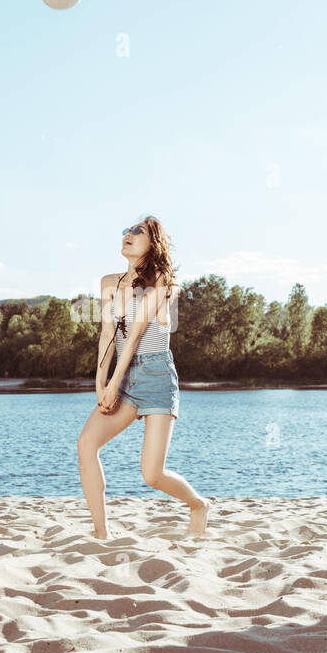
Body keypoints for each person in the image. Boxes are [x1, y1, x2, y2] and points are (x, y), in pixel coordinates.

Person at [77, 216, 211, 539]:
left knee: (152, 474)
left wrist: (113, 382)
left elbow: (135, 333)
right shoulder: (109, 283)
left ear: (153, 243)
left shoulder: (163, 280)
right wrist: (99, 382)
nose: (128, 234)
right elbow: (107, 333)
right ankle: (100, 533)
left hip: (155, 375)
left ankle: (198, 505)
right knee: (86, 444)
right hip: (123, 377)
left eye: (138, 231)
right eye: (127, 229)